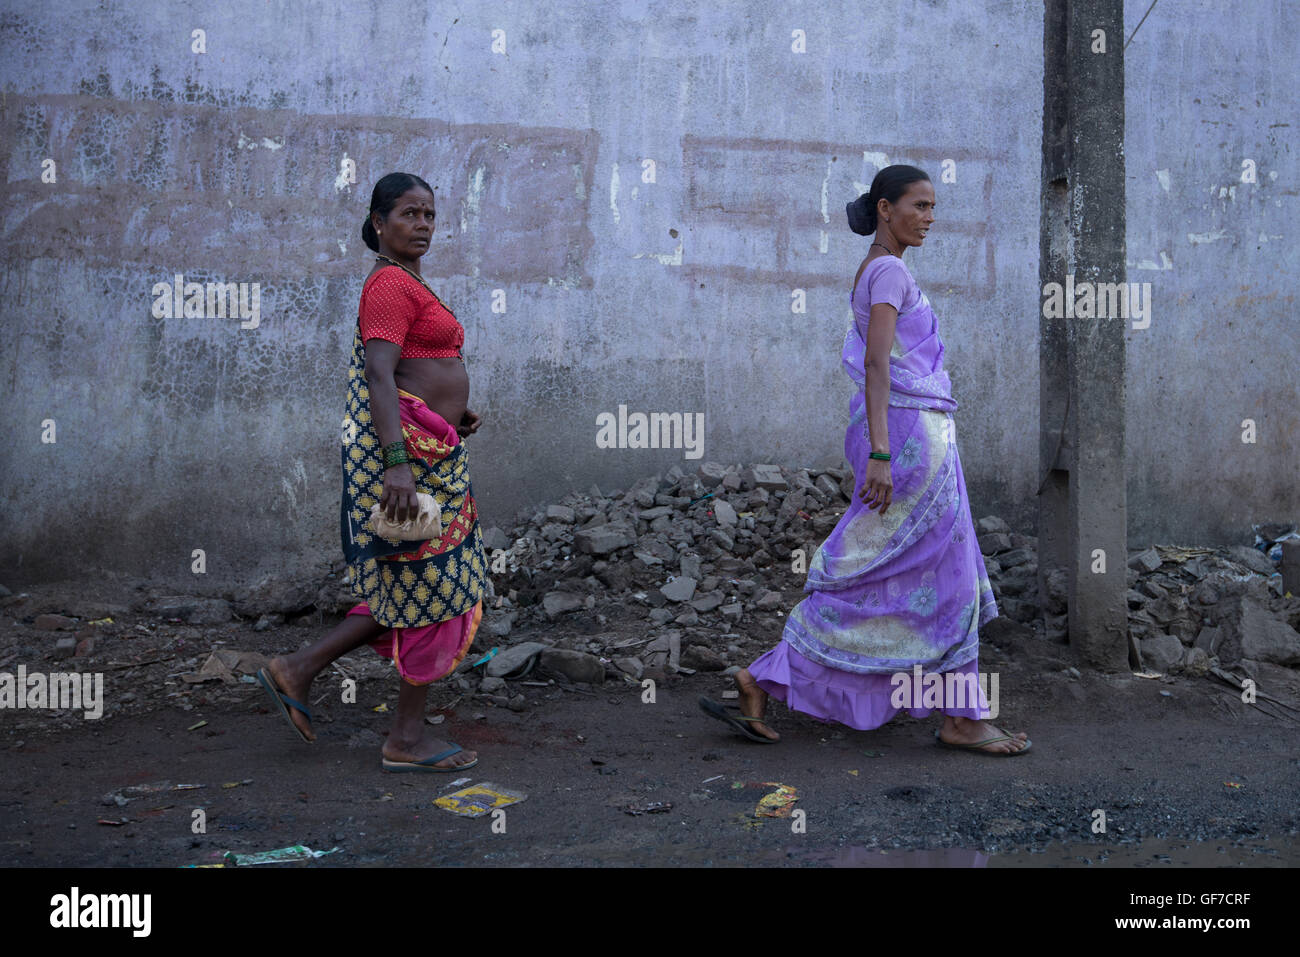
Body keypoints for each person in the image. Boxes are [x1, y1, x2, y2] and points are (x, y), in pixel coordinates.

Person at [700, 164, 1031, 755]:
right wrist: (880, 453)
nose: (929, 218)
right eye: (920, 206)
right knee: (933, 575)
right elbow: (878, 366)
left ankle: (766, 677)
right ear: (885, 208)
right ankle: (960, 719)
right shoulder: (886, 272)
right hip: (902, 440)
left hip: (910, 435)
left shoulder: (889, 271)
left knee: (892, 571)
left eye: (933, 207)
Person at [257, 172, 490, 772]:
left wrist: (450, 413)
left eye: (430, 215)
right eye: (409, 214)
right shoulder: (388, 283)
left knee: (406, 586)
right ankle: (406, 742)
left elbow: (415, 369)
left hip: (430, 456)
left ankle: (297, 668)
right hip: (407, 468)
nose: (423, 226)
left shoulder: (409, 281)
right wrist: (397, 465)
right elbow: (379, 377)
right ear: (379, 222)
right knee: (438, 594)